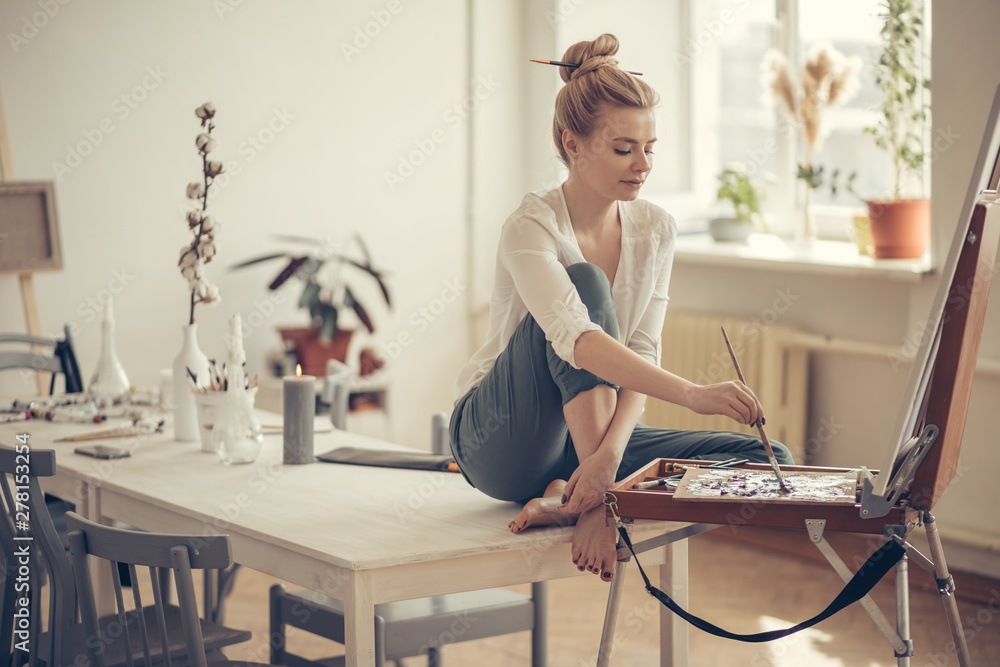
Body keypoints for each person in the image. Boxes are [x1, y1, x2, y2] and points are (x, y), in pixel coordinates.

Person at [449, 34, 793, 582]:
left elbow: (638, 351)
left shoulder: (656, 229)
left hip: (577, 447)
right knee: (584, 285)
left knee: (767, 459)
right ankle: (600, 502)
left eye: (649, 147)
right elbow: (579, 342)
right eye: (623, 147)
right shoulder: (531, 227)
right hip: (499, 442)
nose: (643, 164)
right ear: (574, 143)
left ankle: (577, 491)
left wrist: (608, 460)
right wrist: (693, 395)